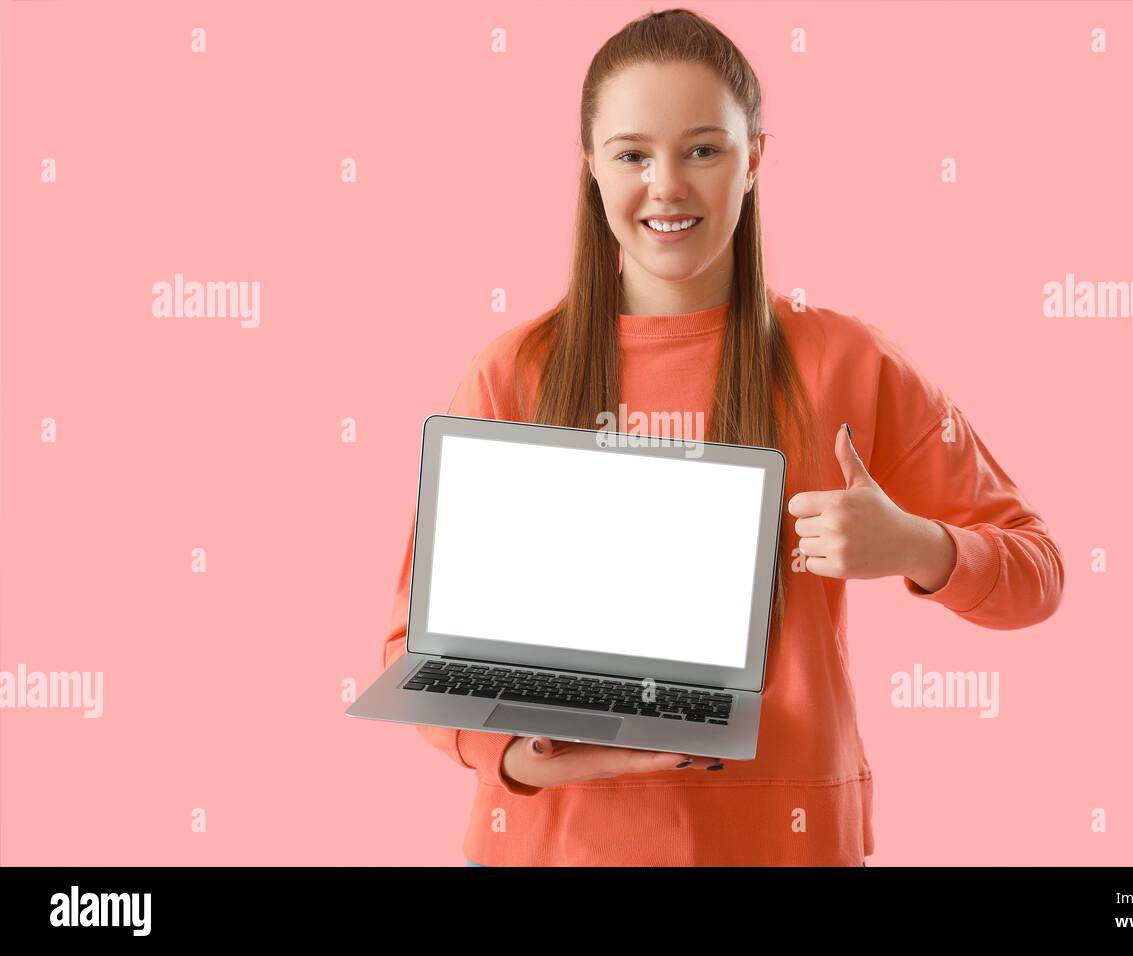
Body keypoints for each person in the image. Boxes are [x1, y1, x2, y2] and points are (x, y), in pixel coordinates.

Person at [380, 8, 1064, 867]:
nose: (667, 185)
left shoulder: (847, 361)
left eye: (703, 149)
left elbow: (1036, 572)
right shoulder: (512, 371)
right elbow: (415, 647)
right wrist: (516, 759)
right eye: (632, 154)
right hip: (553, 849)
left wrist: (917, 546)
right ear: (591, 166)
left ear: (756, 161)